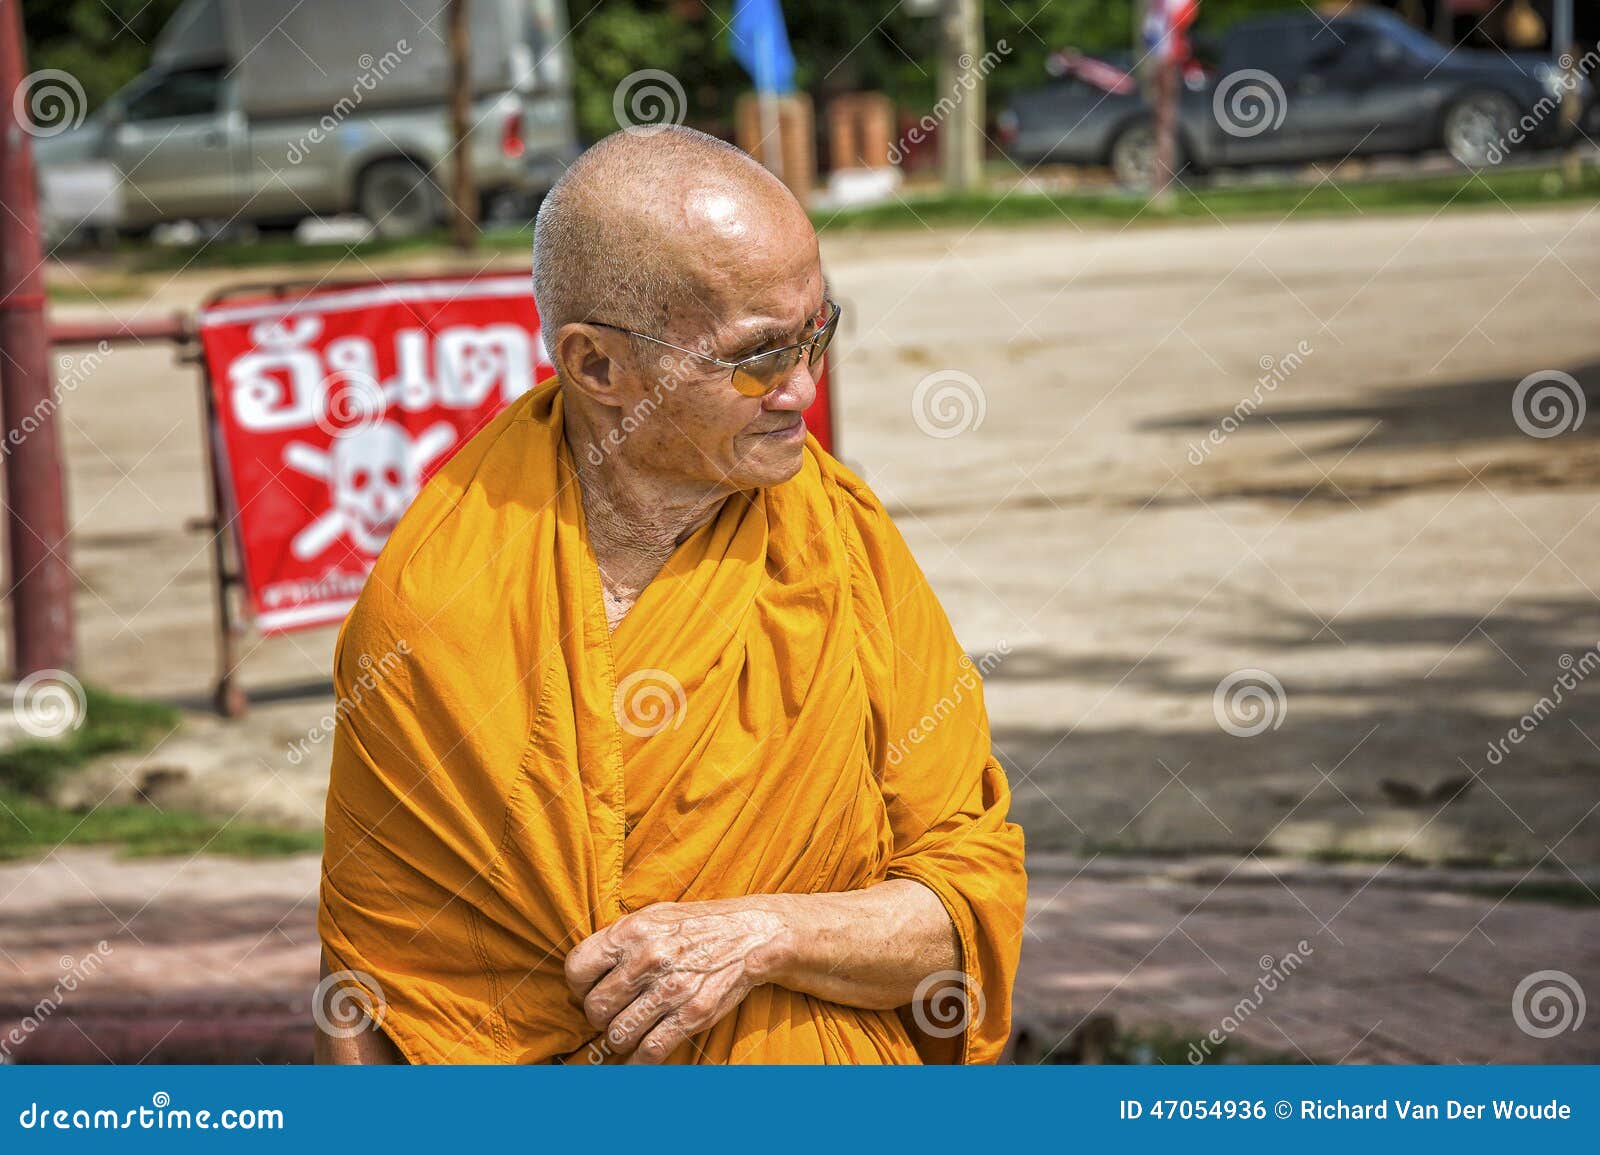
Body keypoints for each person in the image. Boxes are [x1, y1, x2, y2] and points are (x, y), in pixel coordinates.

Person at [314, 125, 1026, 1064]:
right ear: (599, 367)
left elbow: (967, 902)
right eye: (759, 355)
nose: (805, 390)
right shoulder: (439, 609)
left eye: (821, 331)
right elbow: (376, 987)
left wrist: (766, 936)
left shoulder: (836, 541)